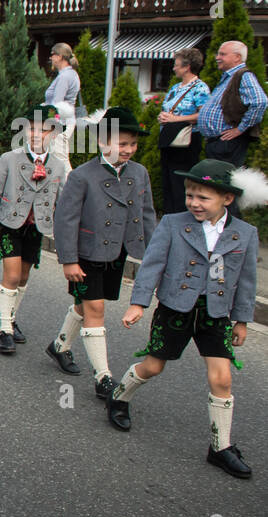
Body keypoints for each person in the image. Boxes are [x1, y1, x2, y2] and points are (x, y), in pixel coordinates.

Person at [110, 159, 263, 478]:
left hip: (216, 314)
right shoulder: (174, 224)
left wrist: (242, 320)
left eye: (203, 197)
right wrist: (138, 303)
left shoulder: (245, 234)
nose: (194, 202)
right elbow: (151, 265)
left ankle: (220, 447)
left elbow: (246, 281)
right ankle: (120, 397)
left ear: (227, 199)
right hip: (175, 310)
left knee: (221, 378)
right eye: (190, 194)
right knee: (153, 366)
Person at [47, 107, 155, 400]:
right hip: (86, 254)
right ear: (101, 142)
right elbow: (65, 220)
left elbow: (146, 215)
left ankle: (59, 345)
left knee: (86, 305)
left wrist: (154, 255)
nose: (129, 150)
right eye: (122, 144)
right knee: (96, 310)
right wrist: (68, 260)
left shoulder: (139, 174)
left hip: (116, 251)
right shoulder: (82, 176)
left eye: (133, 144)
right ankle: (103, 377)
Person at [0, 105, 70, 354]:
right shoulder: (10, 158)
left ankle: (8, 316)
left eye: (43, 130)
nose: (36, 134)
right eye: (31, 128)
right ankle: (5, 330)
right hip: (10, 224)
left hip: (36, 227)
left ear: (52, 134)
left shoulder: (59, 166)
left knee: (23, 276)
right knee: (10, 275)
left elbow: (63, 204)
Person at [157, 48, 211, 217]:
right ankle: (168, 216)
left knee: (180, 181)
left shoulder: (200, 88)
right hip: (168, 138)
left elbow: (202, 115)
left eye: (176, 64)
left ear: (187, 67)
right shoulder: (175, 87)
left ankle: (182, 217)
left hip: (186, 141)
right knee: (167, 181)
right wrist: (163, 116)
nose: (173, 68)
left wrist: (175, 119)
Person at [196, 40, 266, 167]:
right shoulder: (229, 77)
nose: (217, 57)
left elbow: (260, 102)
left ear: (237, 57)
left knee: (222, 182)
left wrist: (240, 129)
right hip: (219, 143)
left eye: (222, 54)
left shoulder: (243, 75)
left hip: (227, 144)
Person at [43, 42, 81, 167]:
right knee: (57, 160)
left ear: (59, 56)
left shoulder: (64, 77)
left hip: (60, 123)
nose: (51, 58)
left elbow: (57, 104)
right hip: (67, 121)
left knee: (60, 161)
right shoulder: (71, 74)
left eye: (52, 55)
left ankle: (72, 186)